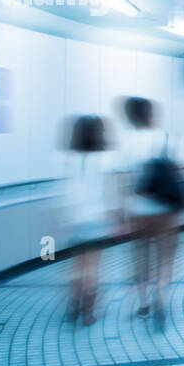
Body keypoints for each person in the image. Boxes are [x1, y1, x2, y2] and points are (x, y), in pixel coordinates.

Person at [118, 96, 181, 326]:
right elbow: (180, 173)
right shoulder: (167, 138)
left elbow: (122, 182)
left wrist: (121, 213)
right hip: (166, 211)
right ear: (150, 114)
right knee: (165, 257)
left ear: (130, 116)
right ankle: (161, 298)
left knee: (140, 257)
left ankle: (143, 304)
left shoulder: (125, 143)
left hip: (138, 212)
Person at [63, 115, 115, 326]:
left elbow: (65, 192)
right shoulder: (106, 160)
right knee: (94, 267)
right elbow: (110, 194)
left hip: (75, 219)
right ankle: (89, 312)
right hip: (98, 220)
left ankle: (73, 305)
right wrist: (117, 218)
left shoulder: (69, 158)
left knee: (77, 266)